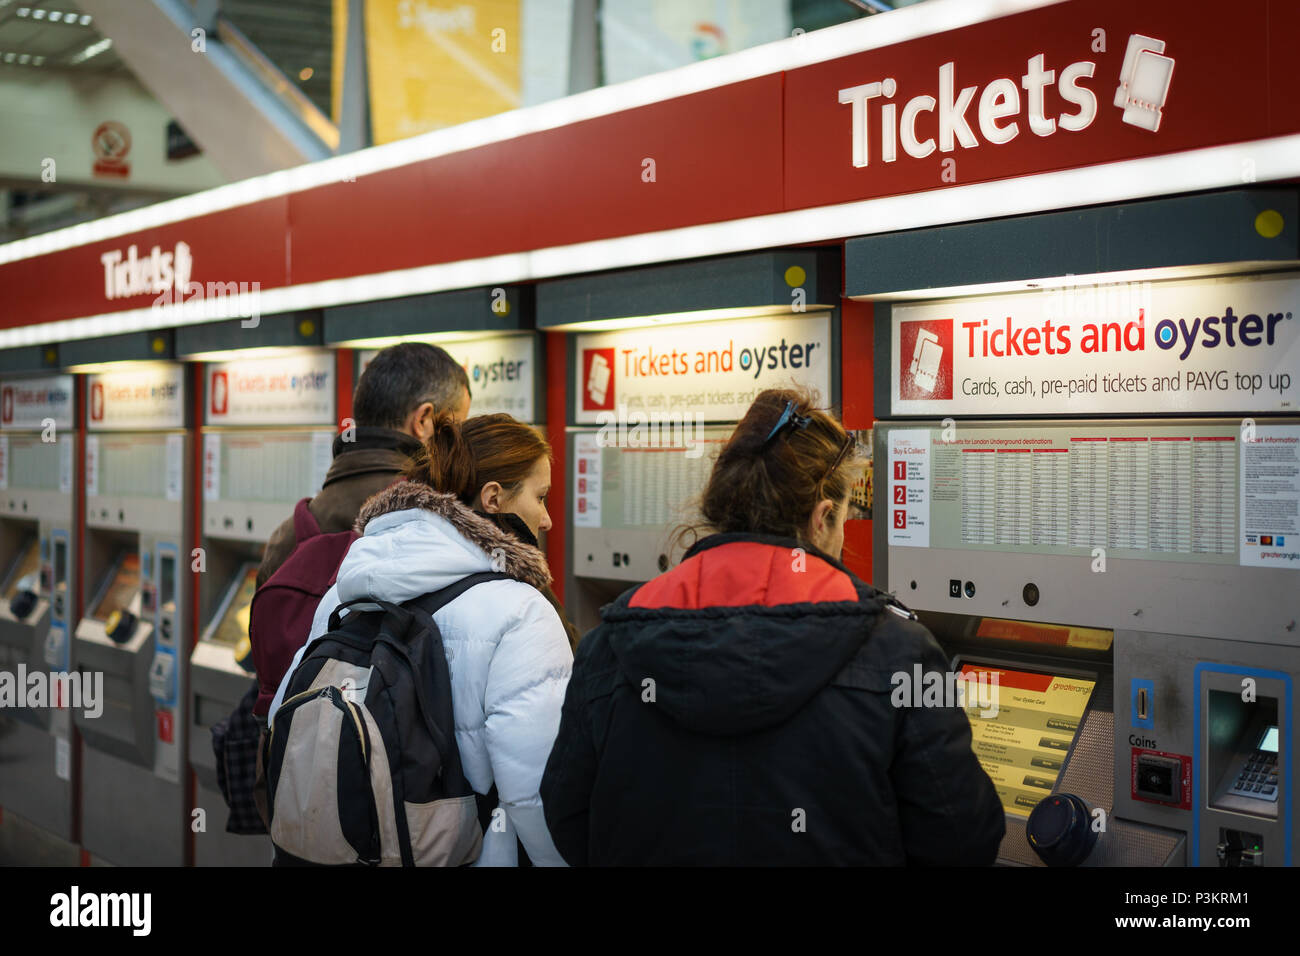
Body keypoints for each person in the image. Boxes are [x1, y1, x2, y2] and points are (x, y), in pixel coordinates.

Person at [540, 387, 1006, 865]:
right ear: (823, 517)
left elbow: (568, 817)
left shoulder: (609, 645)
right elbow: (961, 837)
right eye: (842, 519)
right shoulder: (899, 652)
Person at [270, 413, 573, 866]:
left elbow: (281, 716)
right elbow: (536, 794)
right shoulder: (522, 612)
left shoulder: (347, 588)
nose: (547, 519)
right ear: (494, 498)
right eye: (540, 496)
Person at [256, 342, 472, 588]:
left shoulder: (285, 540)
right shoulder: (439, 524)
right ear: (422, 420)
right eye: (454, 430)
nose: (457, 446)